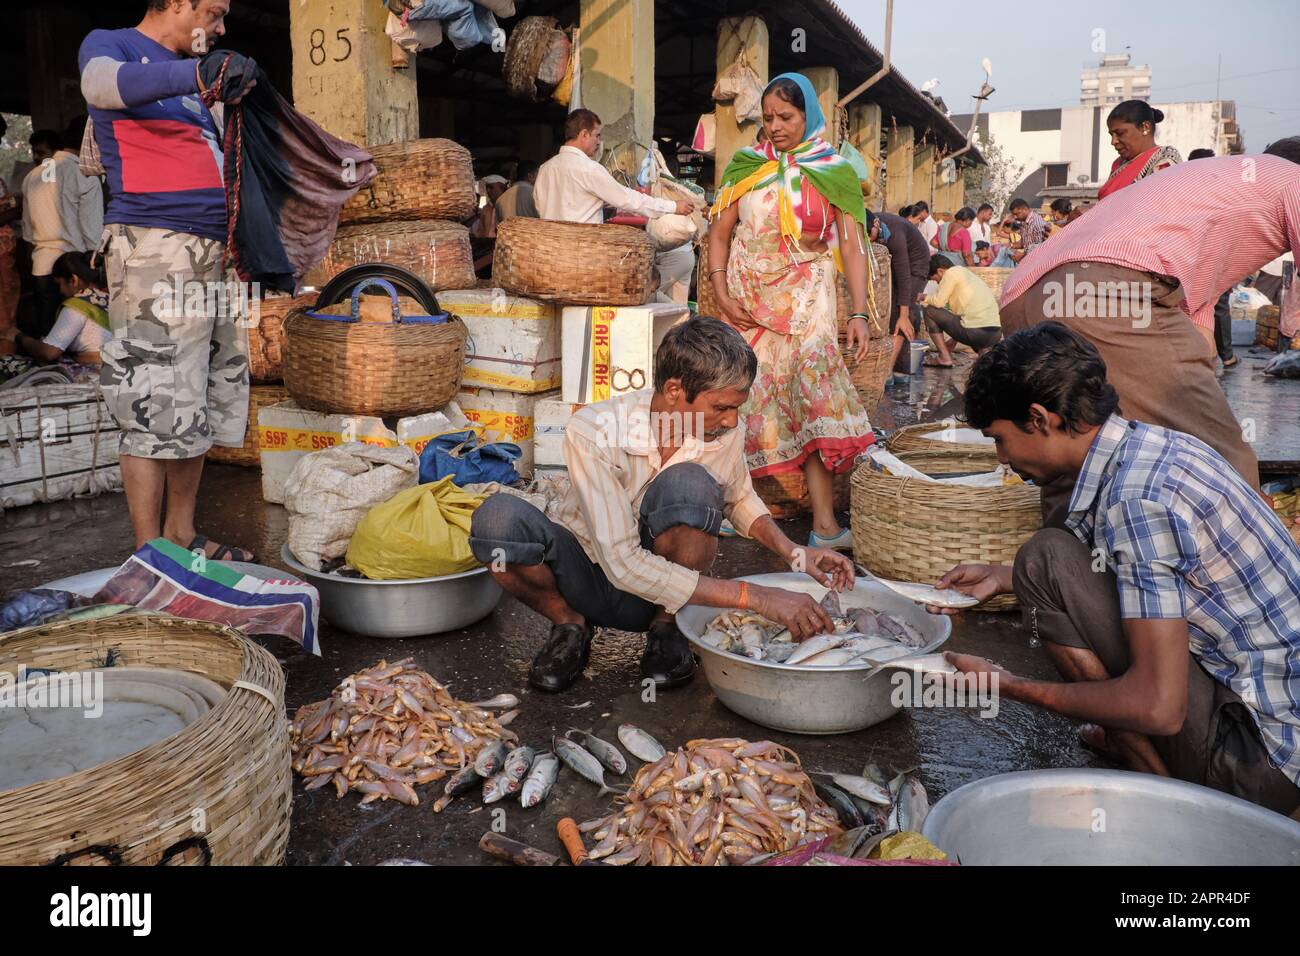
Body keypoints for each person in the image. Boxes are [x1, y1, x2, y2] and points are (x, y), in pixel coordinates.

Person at [931, 324, 1300, 817]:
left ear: (1039, 419)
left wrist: (1010, 686)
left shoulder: (1137, 501)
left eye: (1000, 440)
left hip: (1260, 761)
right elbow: (1129, 565)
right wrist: (1002, 577)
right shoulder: (1149, 447)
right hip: (1277, 723)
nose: (1003, 458)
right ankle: (1143, 750)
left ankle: (1171, 801)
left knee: (1042, 560)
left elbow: (1160, 708)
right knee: (1040, 564)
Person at [468, 317, 858, 693]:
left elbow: (738, 497)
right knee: (496, 522)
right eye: (721, 407)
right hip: (584, 578)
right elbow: (622, 564)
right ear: (674, 391)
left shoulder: (723, 430)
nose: (732, 419)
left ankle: (667, 629)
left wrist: (793, 552)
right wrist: (756, 596)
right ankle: (569, 625)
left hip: (668, 595)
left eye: (737, 407)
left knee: (689, 483)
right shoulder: (593, 430)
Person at [999, 139, 1300, 521]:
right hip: (1104, 286)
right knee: (1216, 445)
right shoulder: (1291, 178)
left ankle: (1061, 563)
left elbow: (1196, 336)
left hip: (1024, 296)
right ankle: (1257, 557)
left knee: (1074, 448)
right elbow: (1188, 391)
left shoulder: (1206, 189)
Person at [80, 0, 256, 562]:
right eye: (214, 12)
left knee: (197, 393)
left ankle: (182, 533)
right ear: (177, 1)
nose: (221, 27)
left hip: (212, 251)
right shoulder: (113, 44)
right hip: (154, 247)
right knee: (151, 398)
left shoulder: (199, 81)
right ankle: (149, 553)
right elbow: (100, 86)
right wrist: (196, 73)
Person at [707, 72, 876, 550]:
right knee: (740, 399)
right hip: (747, 304)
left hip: (808, 304)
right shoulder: (745, 167)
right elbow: (719, 236)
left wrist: (858, 313)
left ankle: (824, 526)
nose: (776, 127)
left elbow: (853, 246)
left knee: (811, 399)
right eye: (768, 118)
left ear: (809, 116)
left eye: (786, 117)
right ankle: (727, 509)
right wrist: (721, 291)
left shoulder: (834, 170)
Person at [535, 109, 696, 224]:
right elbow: (628, 199)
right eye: (596, 135)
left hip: (549, 256)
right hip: (581, 256)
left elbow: (541, 205)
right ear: (584, 134)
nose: (599, 142)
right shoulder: (589, 169)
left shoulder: (545, 169)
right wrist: (673, 206)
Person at [22, 130, 105, 337]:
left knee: (48, 334)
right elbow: (91, 228)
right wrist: (97, 266)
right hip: (75, 269)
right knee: (81, 337)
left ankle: (47, 369)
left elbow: (28, 232)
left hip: (41, 266)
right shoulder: (83, 172)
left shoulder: (31, 177)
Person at [2, 250, 111, 364]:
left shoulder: (76, 306)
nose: (60, 291)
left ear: (74, 280)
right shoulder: (111, 300)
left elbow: (49, 353)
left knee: (9, 364)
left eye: (60, 284)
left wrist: (18, 336)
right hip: (121, 371)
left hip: (96, 373)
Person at [1187, 147, 1237, 367]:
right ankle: (1225, 356)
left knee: (1194, 308)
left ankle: (1199, 356)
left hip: (1190, 259)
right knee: (1218, 307)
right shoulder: (1219, 191)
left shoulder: (1183, 189)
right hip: (1213, 258)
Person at [873, 209, 932, 372]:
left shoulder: (894, 234)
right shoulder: (871, 224)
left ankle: (888, 371)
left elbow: (904, 276)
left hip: (915, 266)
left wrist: (904, 315)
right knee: (890, 309)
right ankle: (895, 364)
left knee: (900, 315)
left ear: (875, 226)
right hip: (894, 265)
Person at [919, 255, 1002, 367]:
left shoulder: (950, 274)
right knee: (983, 363)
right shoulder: (965, 273)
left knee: (929, 310)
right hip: (994, 334)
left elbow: (938, 302)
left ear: (940, 271)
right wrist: (953, 342)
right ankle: (983, 356)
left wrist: (923, 297)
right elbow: (965, 315)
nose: (938, 284)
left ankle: (944, 358)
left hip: (976, 333)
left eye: (936, 280)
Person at [1097, 100, 1182, 201]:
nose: (1113, 141)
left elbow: (1161, 206)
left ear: (1145, 127)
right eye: (1112, 135)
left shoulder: (1165, 158)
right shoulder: (1118, 164)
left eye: (1120, 133)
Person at [990, 198, 1047, 267]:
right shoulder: (1024, 223)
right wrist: (1011, 246)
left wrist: (1023, 255)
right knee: (1004, 251)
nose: (1016, 217)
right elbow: (1025, 243)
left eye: (1017, 214)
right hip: (1028, 260)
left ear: (1024, 209)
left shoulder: (1036, 222)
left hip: (1037, 262)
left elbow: (1040, 246)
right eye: (1014, 215)